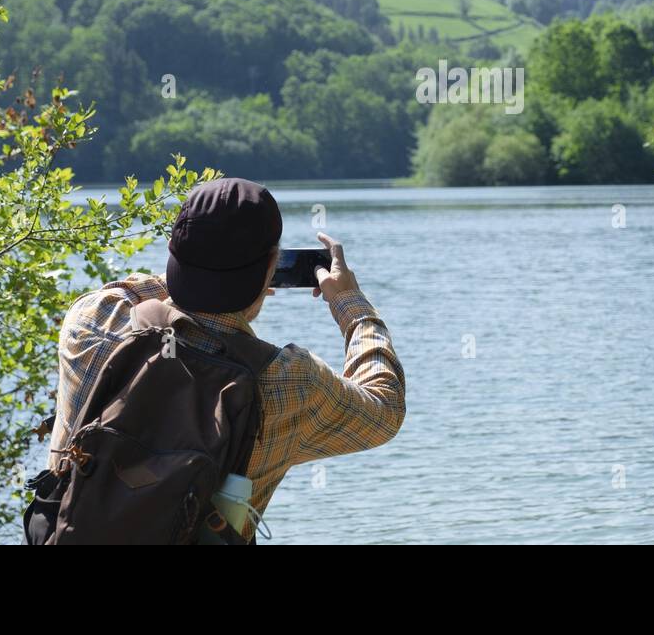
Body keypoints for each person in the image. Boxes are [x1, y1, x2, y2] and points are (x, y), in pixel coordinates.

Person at [46, 176, 406, 540]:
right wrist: (350, 303)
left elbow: (128, 290)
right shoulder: (288, 382)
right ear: (270, 267)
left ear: (173, 250)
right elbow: (384, 408)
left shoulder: (93, 322)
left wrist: (208, 270)